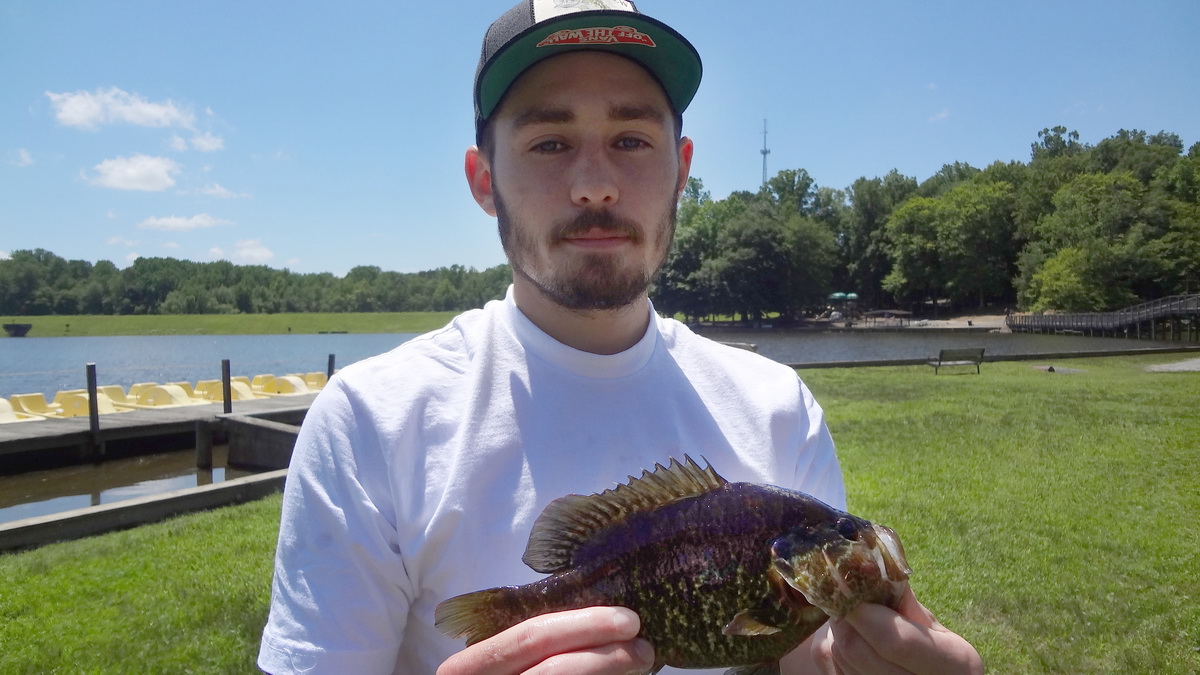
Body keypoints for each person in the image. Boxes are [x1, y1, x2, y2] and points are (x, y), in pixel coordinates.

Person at [258, 2, 984, 674]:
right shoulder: (368, 423)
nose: (596, 184)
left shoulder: (777, 407)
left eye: (631, 139)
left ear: (682, 171)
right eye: (549, 142)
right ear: (484, 180)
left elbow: (803, 654)